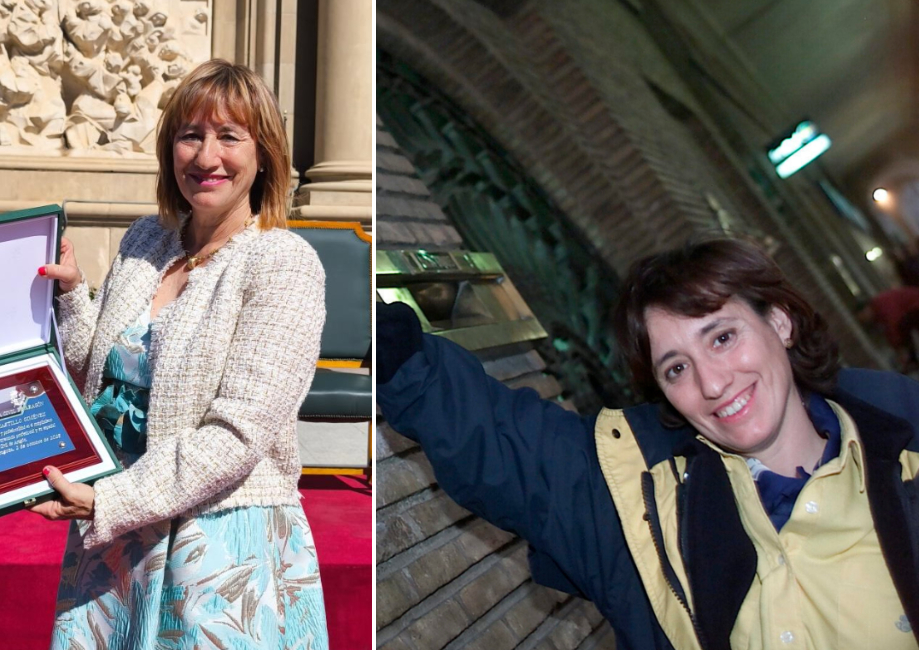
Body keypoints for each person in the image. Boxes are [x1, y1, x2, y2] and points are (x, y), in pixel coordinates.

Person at [377, 238, 917, 649]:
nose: (711, 384)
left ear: (779, 322)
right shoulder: (643, 506)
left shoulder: (905, 457)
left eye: (722, 338)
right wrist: (382, 340)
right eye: (677, 368)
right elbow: (502, 443)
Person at [32, 60, 329, 649]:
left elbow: (238, 434)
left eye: (229, 136)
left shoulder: (284, 263)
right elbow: (95, 378)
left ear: (265, 153)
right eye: (190, 135)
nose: (205, 156)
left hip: (217, 545)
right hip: (117, 544)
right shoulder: (146, 240)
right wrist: (70, 293)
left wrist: (110, 500)